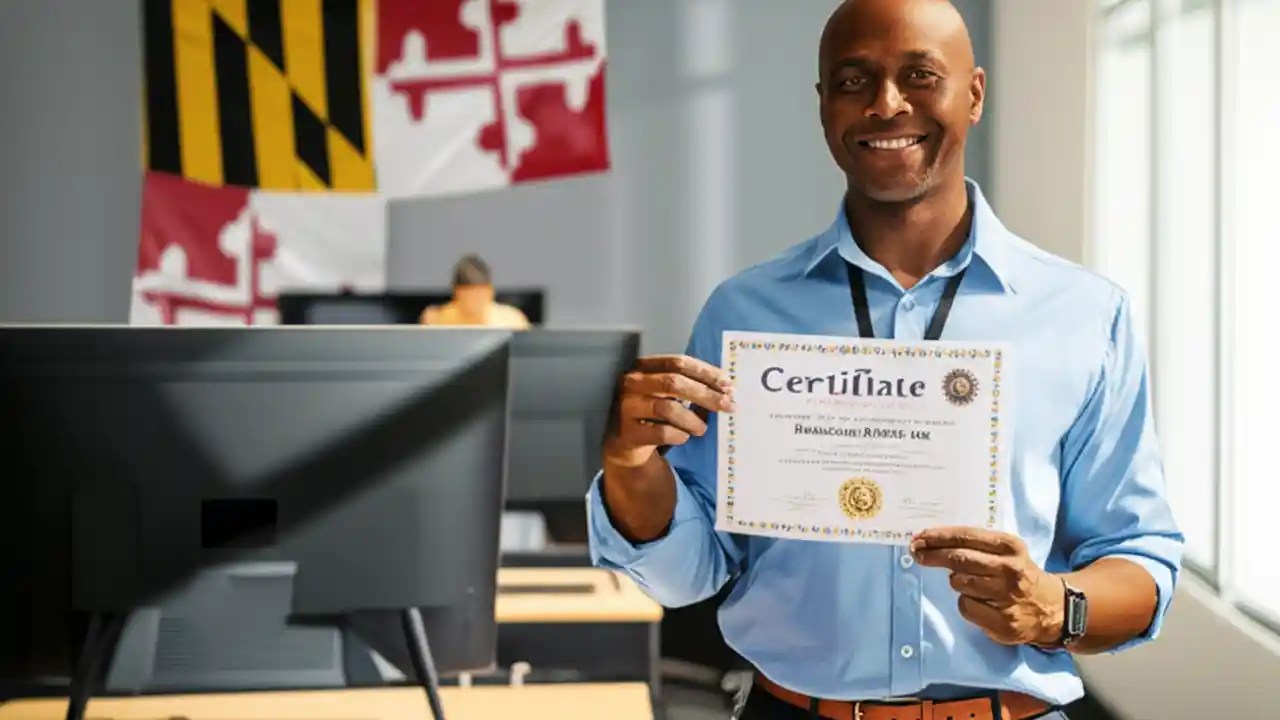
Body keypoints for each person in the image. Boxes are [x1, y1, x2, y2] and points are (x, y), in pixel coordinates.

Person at [586, 1, 1183, 719]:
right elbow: (689, 574)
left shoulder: (1086, 316)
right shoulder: (744, 315)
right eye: (853, 80)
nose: (885, 104)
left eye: (920, 75)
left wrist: (1057, 608)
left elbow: (1140, 556)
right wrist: (630, 469)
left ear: (975, 94)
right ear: (823, 105)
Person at [419, 254, 530, 330]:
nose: (475, 302)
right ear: (456, 293)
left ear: (490, 292)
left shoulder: (512, 320)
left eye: (480, 295)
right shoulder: (435, 319)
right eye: (470, 296)